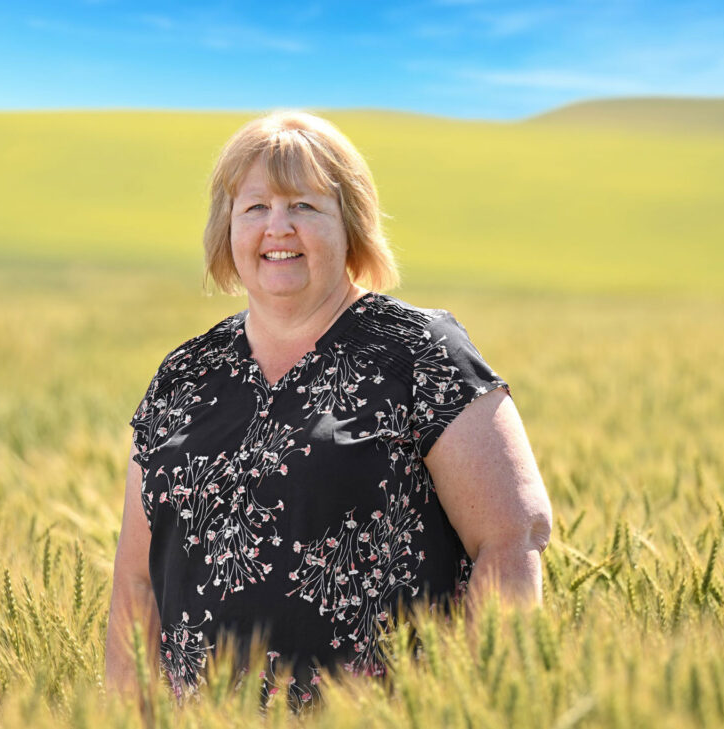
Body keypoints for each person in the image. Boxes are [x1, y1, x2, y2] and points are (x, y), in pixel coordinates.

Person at [105, 110, 552, 706]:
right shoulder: (183, 378)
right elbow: (137, 582)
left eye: (305, 207)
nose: (277, 228)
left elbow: (512, 537)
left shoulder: (422, 354)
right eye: (255, 208)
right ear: (227, 228)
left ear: (351, 225)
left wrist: (468, 709)